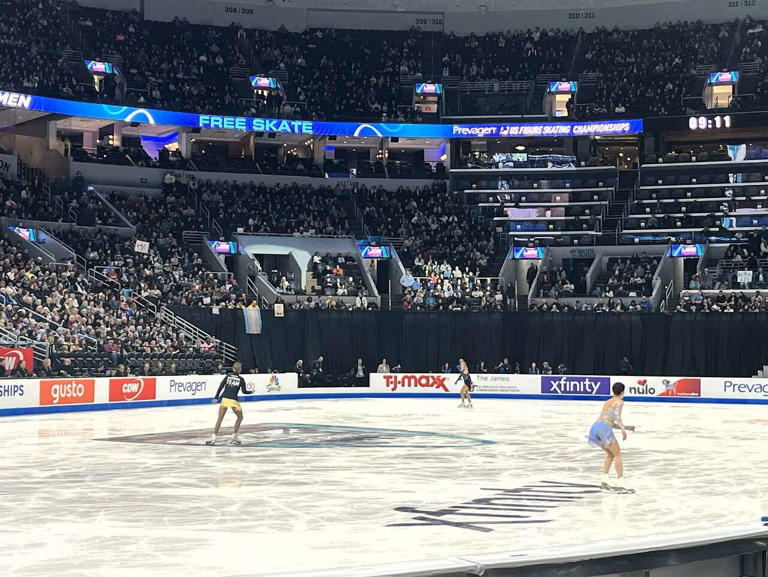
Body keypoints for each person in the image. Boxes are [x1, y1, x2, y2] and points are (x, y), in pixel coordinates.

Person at [587, 382, 636, 491]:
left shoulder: (608, 401)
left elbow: (609, 422)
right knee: (618, 454)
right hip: (604, 429)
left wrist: (627, 427)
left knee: (610, 454)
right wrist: (623, 430)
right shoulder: (620, 402)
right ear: (622, 392)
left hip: (595, 428)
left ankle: (605, 478)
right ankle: (620, 481)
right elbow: (617, 417)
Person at [206, 362, 248, 446]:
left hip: (224, 399)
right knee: (240, 417)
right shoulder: (241, 379)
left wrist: (216, 397)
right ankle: (234, 435)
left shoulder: (228, 376)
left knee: (220, 419)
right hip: (233, 400)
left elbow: (221, 386)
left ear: (232, 369)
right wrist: (251, 391)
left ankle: (213, 437)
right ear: (240, 370)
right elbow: (244, 391)